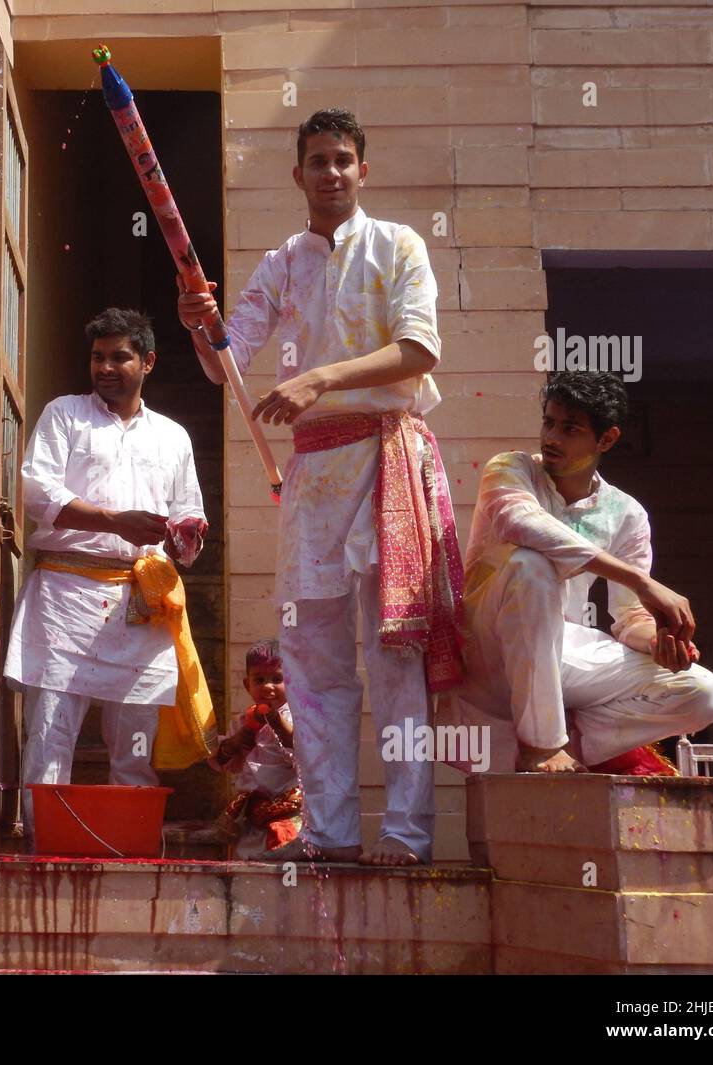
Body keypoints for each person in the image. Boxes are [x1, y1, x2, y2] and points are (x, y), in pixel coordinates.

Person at [178, 109, 464, 866]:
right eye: (317, 160)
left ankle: (405, 835)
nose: (330, 172)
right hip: (312, 481)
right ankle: (330, 833)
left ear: (362, 171)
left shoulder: (398, 243)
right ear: (297, 174)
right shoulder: (280, 263)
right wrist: (198, 325)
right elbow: (226, 362)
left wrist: (320, 379)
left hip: (384, 462)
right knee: (314, 660)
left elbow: (419, 347)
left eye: (343, 159)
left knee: (394, 658)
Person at [437, 371, 713, 773]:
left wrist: (657, 642)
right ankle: (542, 745)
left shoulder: (626, 514)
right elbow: (524, 525)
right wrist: (641, 581)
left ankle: (576, 739)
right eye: (549, 422)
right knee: (529, 563)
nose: (552, 437)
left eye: (570, 428)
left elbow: (629, 620)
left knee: (704, 691)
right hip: (489, 651)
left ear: (606, 439)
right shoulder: (511, 469)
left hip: (558, 652)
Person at [4, 307, 211, 846]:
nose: (106, 367)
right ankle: (43, 847)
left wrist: (187, 534)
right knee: (51, 734)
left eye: (120, 356)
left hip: (140, 600)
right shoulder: (64, 415)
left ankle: (133, 848)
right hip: (65, 596)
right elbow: (37, 495)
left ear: (148, 362)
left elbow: (187, 514)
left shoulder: (173, 437)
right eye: (98, 357)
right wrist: (115, 520)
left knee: (135, 742)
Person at [195, 639, 302, 859]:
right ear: (247, 685)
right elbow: (220, 762)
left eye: (277, 679)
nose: (268, 686)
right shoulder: (242, 722)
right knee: (247, 862)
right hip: (252, 817)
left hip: (289, 816)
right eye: (259, 680)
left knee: (285, 866)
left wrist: (276, 723)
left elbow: (303, 752)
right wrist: (235, 742)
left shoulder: (297, 718)